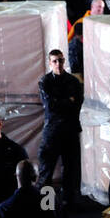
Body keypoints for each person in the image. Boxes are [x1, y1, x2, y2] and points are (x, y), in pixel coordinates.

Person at [37, 50, 84, 201]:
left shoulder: (73, 81)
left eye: (61, 60)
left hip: (70, 131)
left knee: (71, 170)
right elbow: (50, 106)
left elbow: (78, 104)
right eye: (55, 61)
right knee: (46, 172)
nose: (58, 64)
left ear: (64, 61)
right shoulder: (45, 82)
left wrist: (61, 102)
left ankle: (69, 203)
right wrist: (67, 101)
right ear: (50, 63)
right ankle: (47, 206)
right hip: (52, 132)